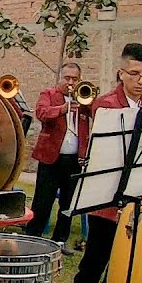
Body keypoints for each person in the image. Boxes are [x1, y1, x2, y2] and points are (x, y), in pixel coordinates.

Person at [55, 43, 142, 283]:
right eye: (134, 74)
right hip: (104, 201)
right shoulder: (106, 105)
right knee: (91, 269)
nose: (140, 81)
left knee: (119, 271)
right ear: (121, 73)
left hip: (135, 203)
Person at [26, 63, 90, 256]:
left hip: (73, 160)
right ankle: (32, 240)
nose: (70, 82)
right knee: (42, 202)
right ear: (60, 78)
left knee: (68, 204)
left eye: (75, 79)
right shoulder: (49, 94)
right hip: (50, 158)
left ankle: (60, 241)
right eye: (67, 78)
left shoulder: (84, 97)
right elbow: (41, 114)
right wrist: (63, 108)